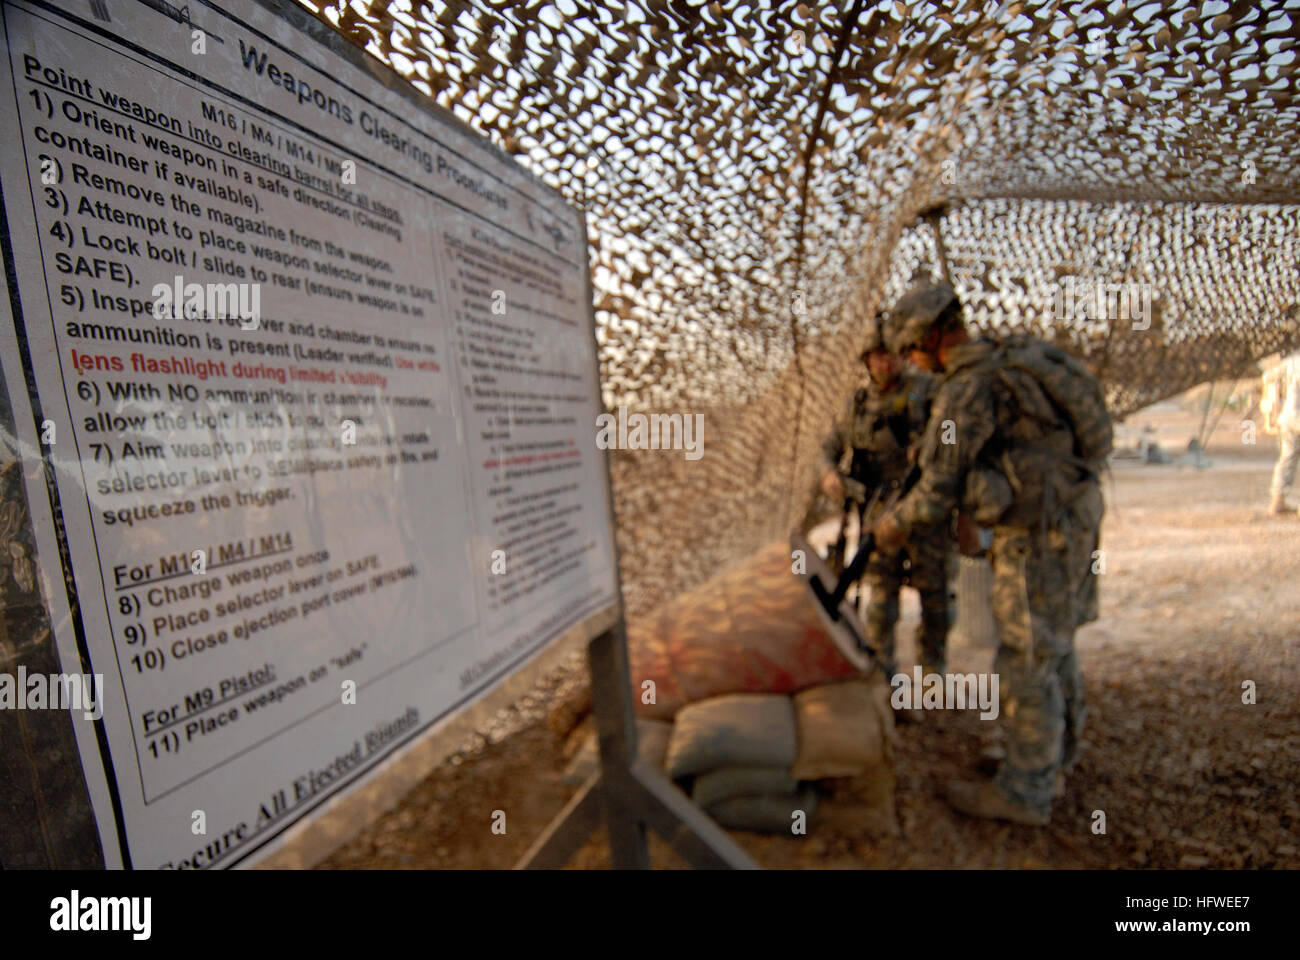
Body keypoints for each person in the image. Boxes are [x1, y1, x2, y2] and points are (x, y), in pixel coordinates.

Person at [872, 282, 1110, 825]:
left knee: (1025, 659)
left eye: (911, 349)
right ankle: (1052, 757)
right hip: (1074, 518)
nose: (911, 362)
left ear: (931, 338)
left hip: (1035, 537)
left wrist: (892, 526)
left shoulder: (966, 390)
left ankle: (1025, 792)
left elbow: (937, 488)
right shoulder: (1013, 357)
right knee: (1054, 644)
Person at [819, 316, 949, 676]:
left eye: (891, 354)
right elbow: (827, 448)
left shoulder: (927, 392)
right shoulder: (856, 405)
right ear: (866, 359)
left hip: (924, 511)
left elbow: (951, 439)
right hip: (878, 514)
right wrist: (828, 473)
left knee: (935, 600)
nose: (885, 363)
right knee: (881, 600)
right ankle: (883, 678)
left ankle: (932, 679)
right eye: (877, 356)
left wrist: (926, 449)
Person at [1262, 351, 1300, 515]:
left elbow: (1267, 377)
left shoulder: (1292, 361)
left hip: (1288, 417)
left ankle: (1277, 503)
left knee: (1287, 459)